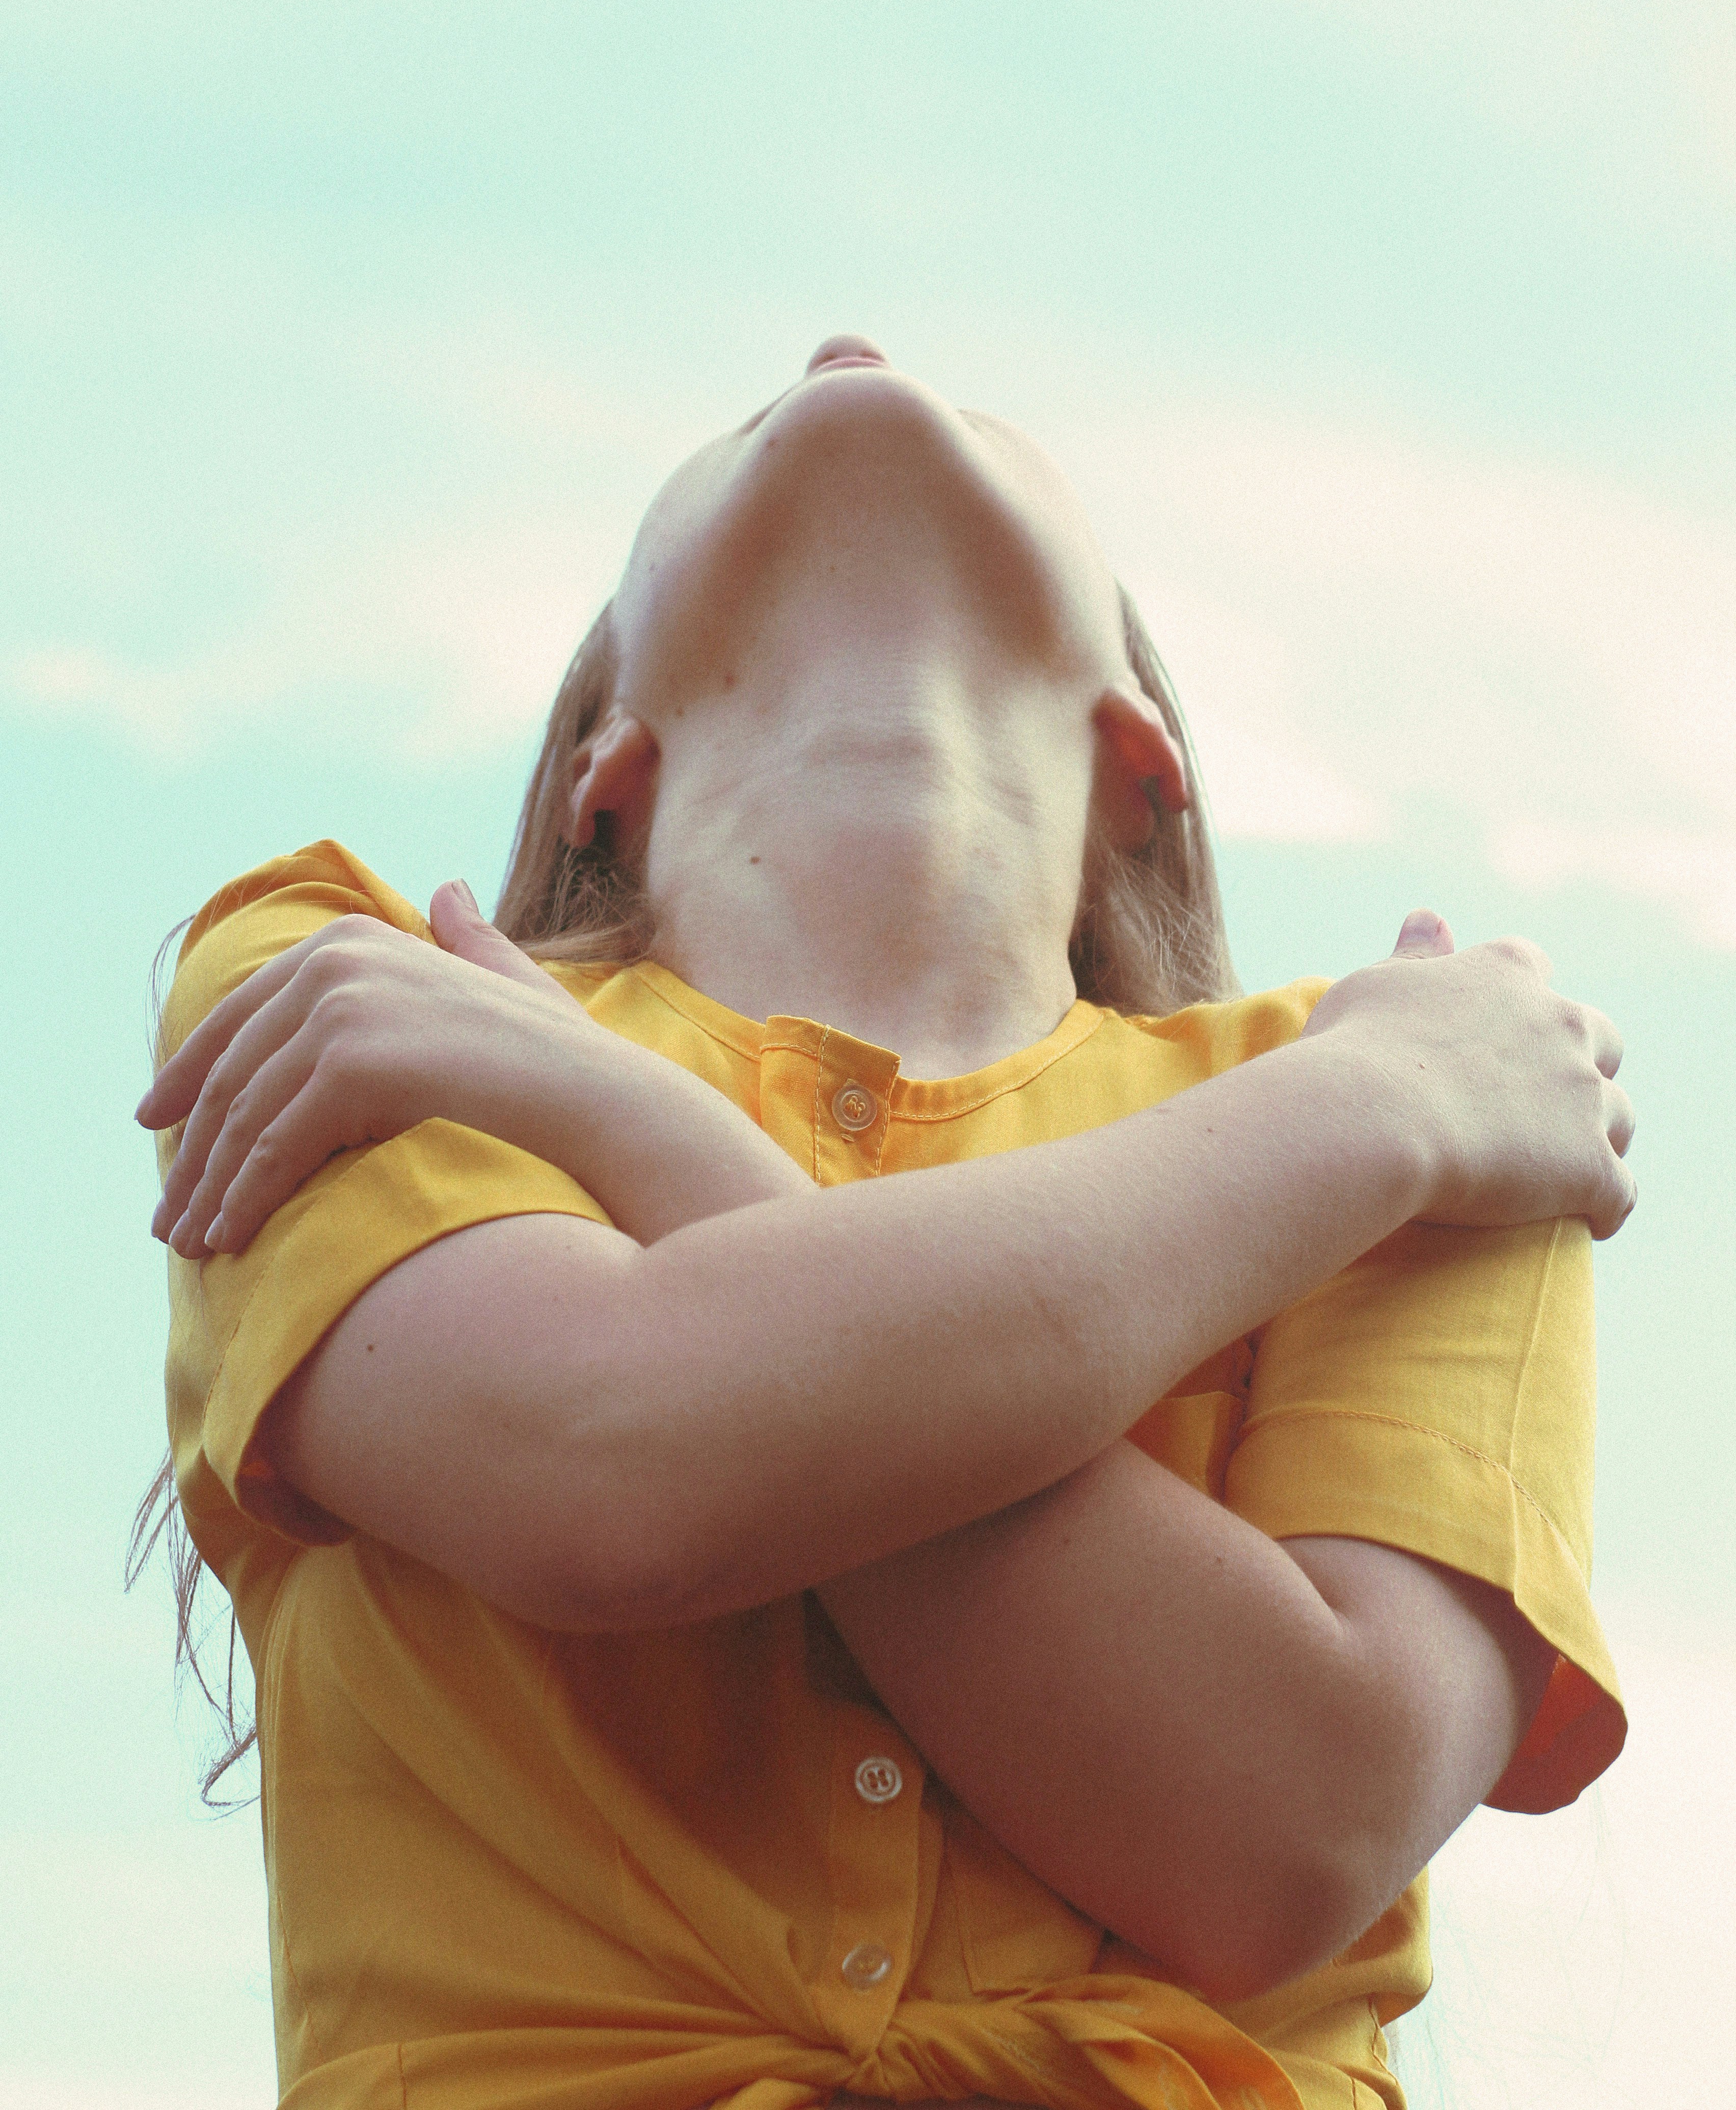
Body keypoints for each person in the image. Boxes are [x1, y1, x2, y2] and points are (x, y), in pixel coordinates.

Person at [136, 334, 1634, 2110]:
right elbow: (609, 1466)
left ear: (1137, 766)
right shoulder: (344, 976)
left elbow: (1288, 1829)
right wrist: (1369, 1115)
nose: (848, 354)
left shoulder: (1443, 1132)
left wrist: (623, 1125)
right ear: (610, 759)